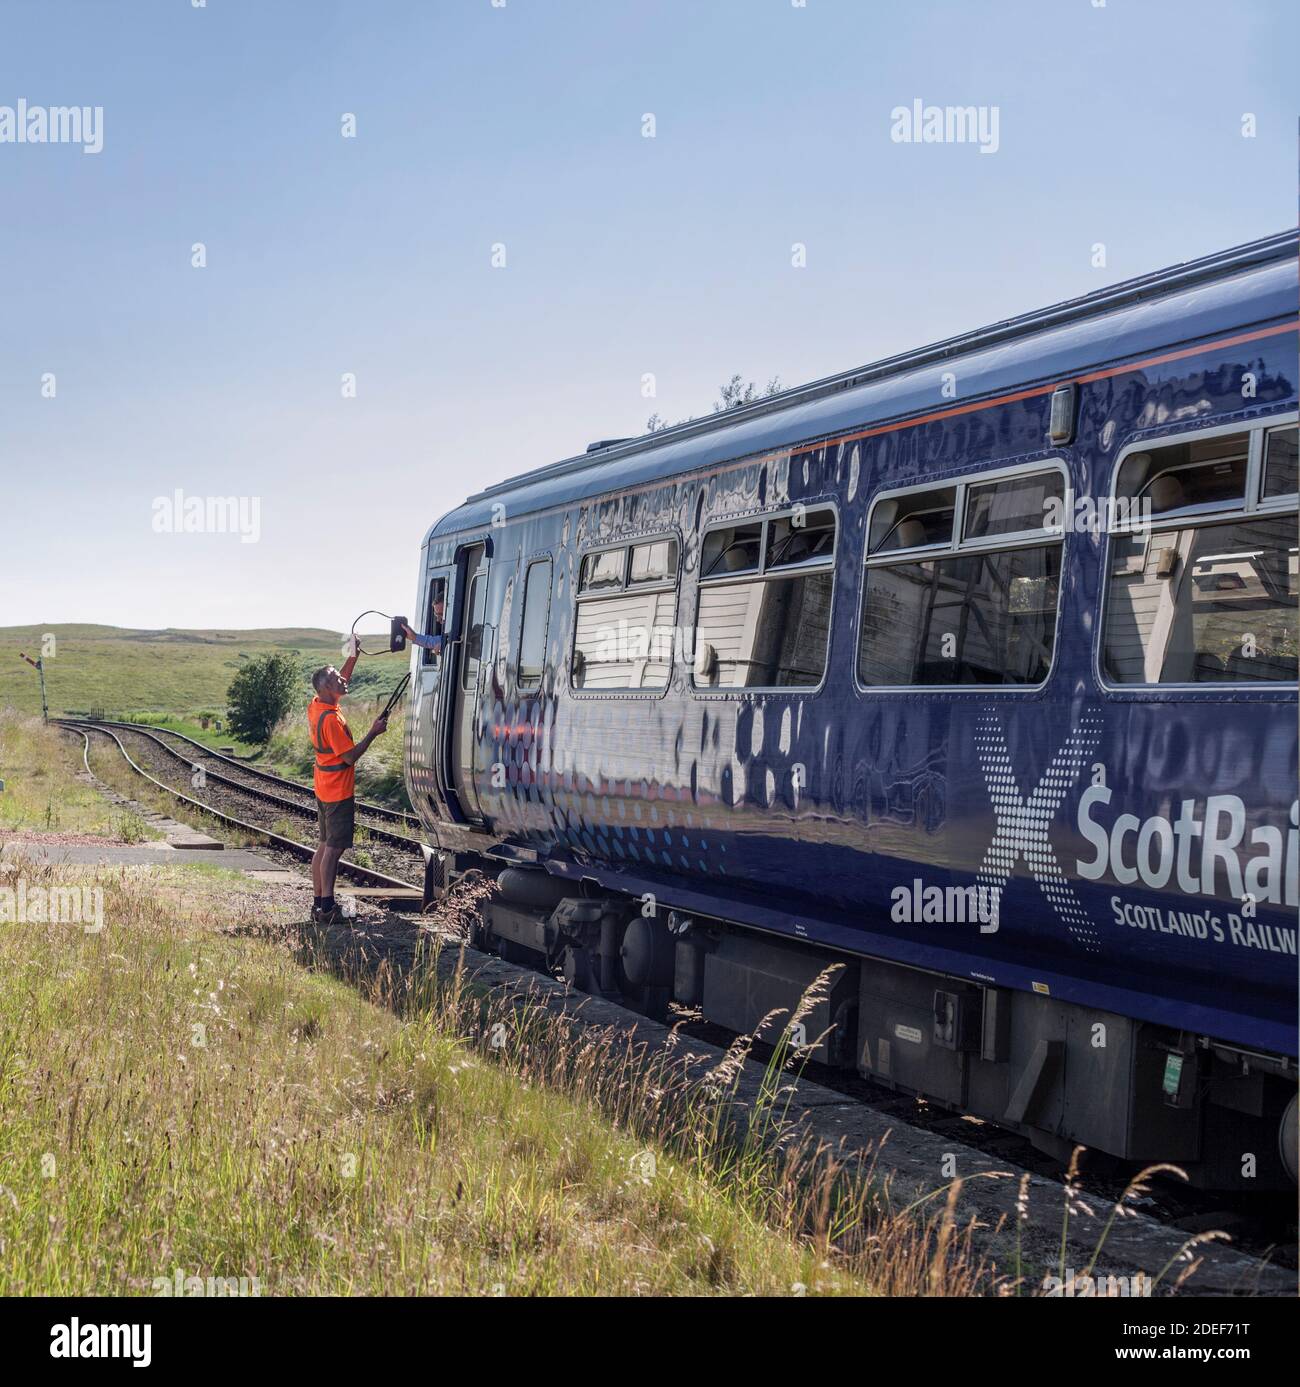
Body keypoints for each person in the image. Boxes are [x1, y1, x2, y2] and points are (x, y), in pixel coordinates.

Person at [307, 640, 388, 924]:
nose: (342, 679)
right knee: (333, 849)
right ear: (327, 688)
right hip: (337, 790)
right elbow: (351, 756)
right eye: (335, 678)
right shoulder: (331, 720)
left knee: (323, 845)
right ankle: (328, 908)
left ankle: (319, 903)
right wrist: (373, 732)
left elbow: (342, 679)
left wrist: (353, 657)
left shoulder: (319, 704)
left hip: (323, 785)